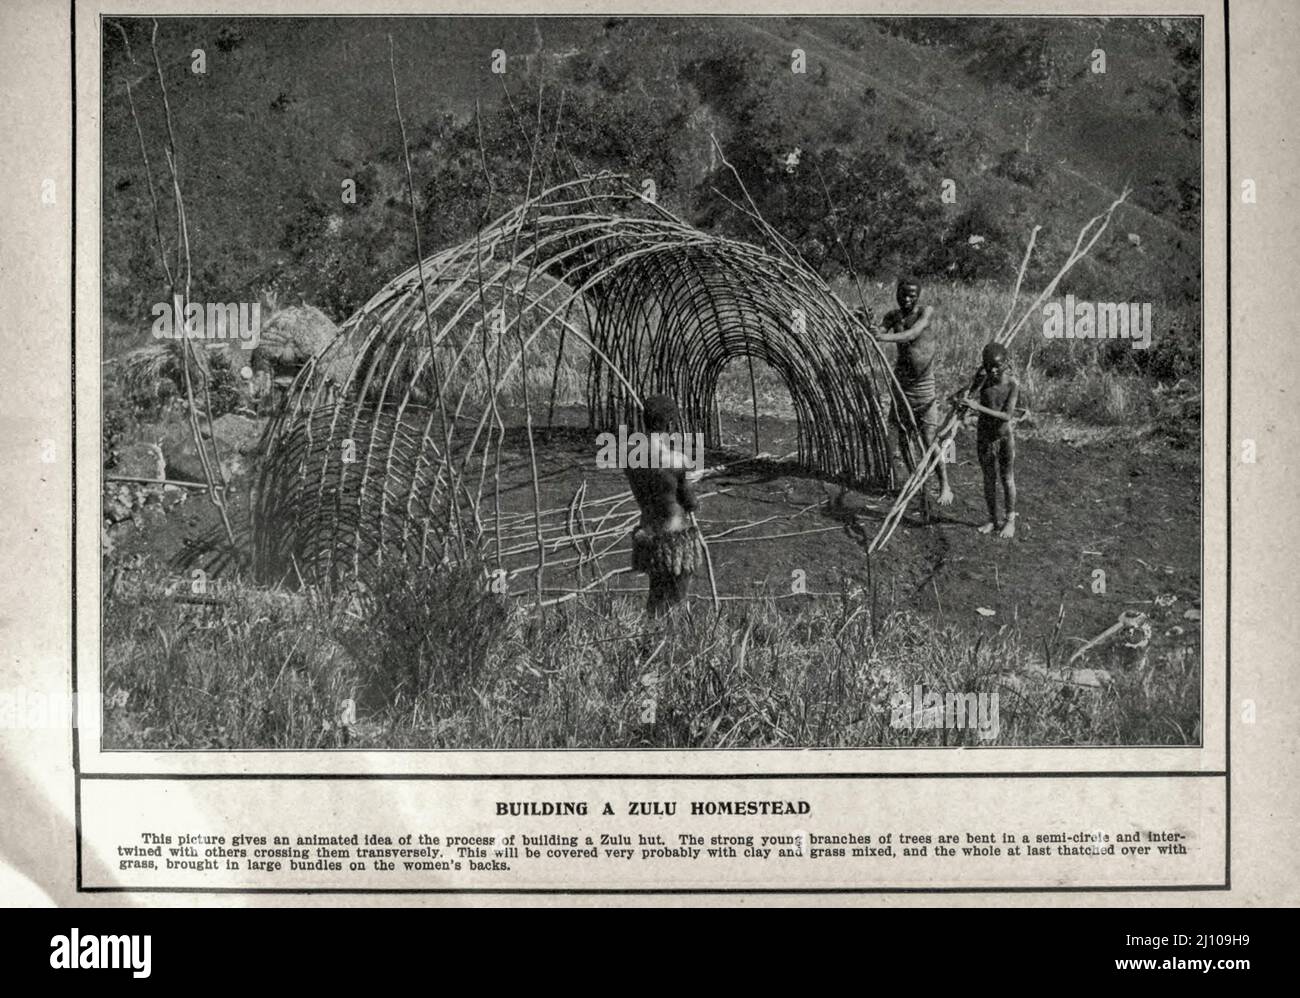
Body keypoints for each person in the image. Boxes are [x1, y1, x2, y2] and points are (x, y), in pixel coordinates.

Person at [873, 278, 953, 507]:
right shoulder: (892, 316)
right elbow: (878, 330)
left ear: (918, 295)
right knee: (903, 434)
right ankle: (915, 479)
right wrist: (869, 327)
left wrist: (882, 337)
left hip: (924, 386)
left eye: (912, 295)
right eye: (903, 294)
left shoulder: (925, 312)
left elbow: (911, 335)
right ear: (896, 293)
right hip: (902, 385)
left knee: (929, 438)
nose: (907, 299)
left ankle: (944, 484)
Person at [624, 394, 705, 616]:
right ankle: (669, 646)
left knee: (656, 599)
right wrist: (690, 480)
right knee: (676, 601)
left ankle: (649, 643)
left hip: (648, 534)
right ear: (669, 424)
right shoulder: (676, 460)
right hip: (675, 542)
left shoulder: (629, 455)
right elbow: (690, 503)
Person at [962, 342, 1020, 539]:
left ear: (1006, 363)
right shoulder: (983, 380)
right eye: (989, 367)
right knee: (988, 479)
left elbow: (1007, 416)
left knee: (1007, 478)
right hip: (985, 437)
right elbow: (968, 392)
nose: (993, 371)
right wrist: (961, 399)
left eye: (998, 366)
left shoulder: (1011, 384)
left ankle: (1010, 521)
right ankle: (992, 519)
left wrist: (976, 407)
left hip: (1004, 437)